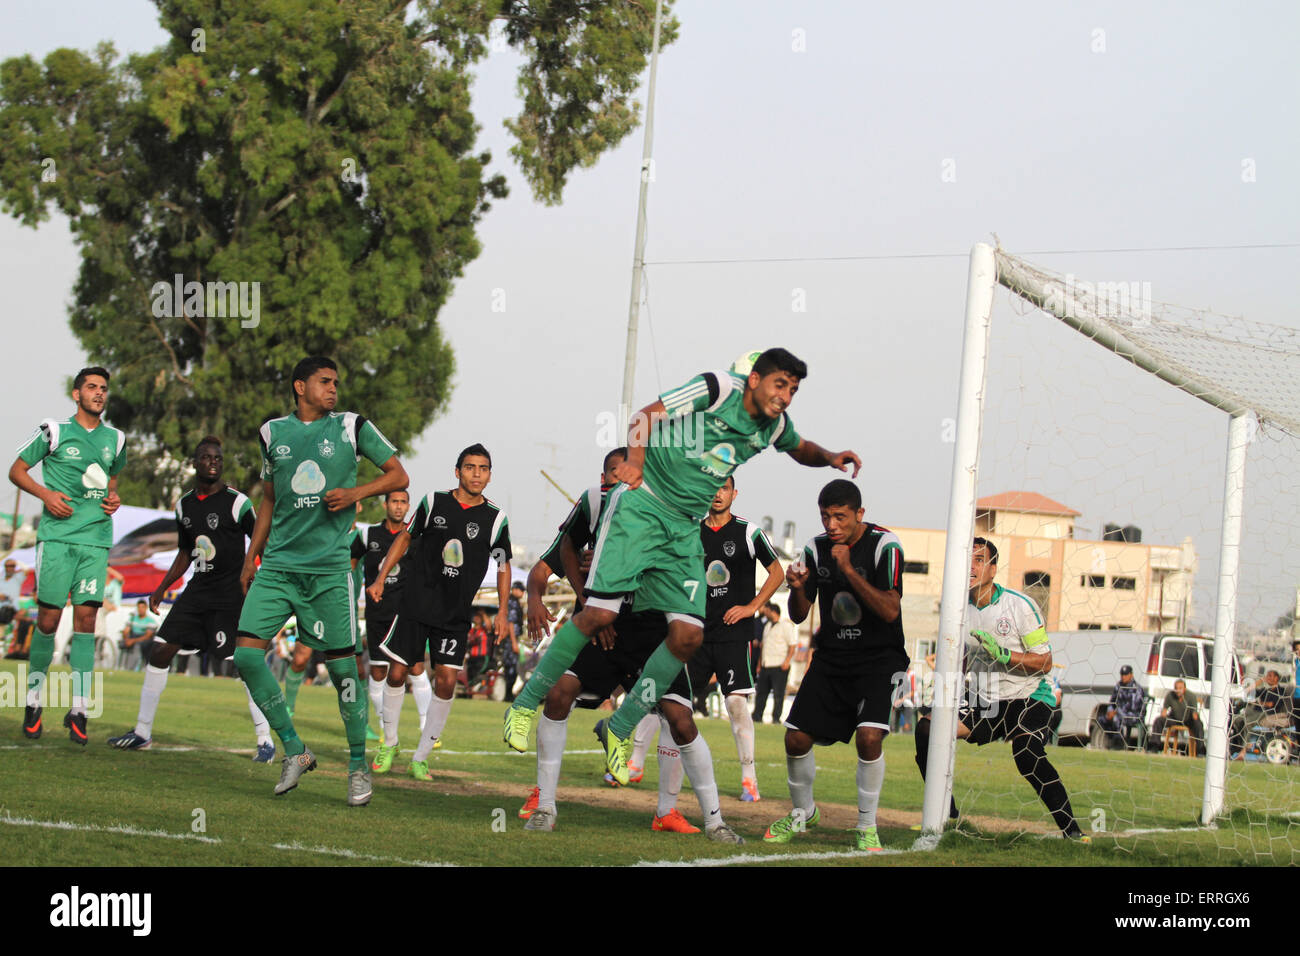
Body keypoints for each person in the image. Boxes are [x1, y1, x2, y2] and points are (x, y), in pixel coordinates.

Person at [505, 348, 862, 786]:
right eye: (779, 384)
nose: (785, 395)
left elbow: (800, 448)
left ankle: (619, 727)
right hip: (644, 506)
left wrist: (829, 457)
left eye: (793, 389)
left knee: (688, 635)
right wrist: (634, 461)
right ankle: (526, 701)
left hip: (683, 530)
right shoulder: (717, 387)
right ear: (754, 380)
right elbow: (644, 417)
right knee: (599, 613)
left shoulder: (775, 426)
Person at [519, 451, 742, 842]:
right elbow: (555, 557)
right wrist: (583, 599)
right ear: (605, 477)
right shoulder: (595, 507)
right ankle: (545, 805)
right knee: (559, 694)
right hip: (604, 634)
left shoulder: (670, 515)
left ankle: (708, 821)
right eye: (612, 474)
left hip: (654, 635)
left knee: (681, 720)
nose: (620, 481)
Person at [233, 356, 407, 806]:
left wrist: (355, 493)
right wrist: (252, 556)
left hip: (330, 571)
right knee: (246, 656)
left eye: (336, 382)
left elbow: (398, 475)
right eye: (324, 382)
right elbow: (268, 500)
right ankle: (295, 749)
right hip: (277, 566)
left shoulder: (351, 426)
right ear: (299, 386)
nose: (333, 389)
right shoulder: (272, 433)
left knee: (343, 671)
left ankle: (357, 767)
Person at [107, 436, 274, 759]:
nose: (213, 461)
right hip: (196, 591)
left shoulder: (237, 503)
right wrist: (160, 587)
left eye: (218, 458)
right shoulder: (183, 505)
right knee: (159, 652)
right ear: (195, 463)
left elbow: (260, 540)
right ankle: (142, 733)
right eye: (207, 457)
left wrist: (263, 581)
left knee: (243, 664)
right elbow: (186, 550)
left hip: (230, 594)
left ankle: (265, 740)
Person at [763, 480, 907, 852]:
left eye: (840, 516)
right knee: (795, 737)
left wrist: (849, 569)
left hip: (879, 659)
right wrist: (796, 587)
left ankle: (866, 825)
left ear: (860, 514)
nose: (831, 524)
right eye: (825, 516)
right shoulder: (815, 549)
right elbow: (797, 615)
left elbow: (891, 610)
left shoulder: (885, 546)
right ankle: (804, 813)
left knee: (869, 737)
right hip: (832, 658)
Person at [913, 537, 1087, 840]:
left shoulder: (1018, 606)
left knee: (1026, 754)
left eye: (979, 560)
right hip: (985, 696)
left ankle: (1072, 832)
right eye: (968, 558)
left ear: (993, 569)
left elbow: (1045, 663)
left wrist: (1006, 656)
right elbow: (959, 659)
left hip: (1029, 694)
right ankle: (947, 818)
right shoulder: (956, 610)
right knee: (928, 730)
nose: (971, 565)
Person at [369, 444, 510, 781]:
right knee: (398, 673)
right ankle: (389, 743)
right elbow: (405, 538)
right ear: (457, 471)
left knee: (446, 681)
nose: (476, 474)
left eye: (483, 468)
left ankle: (421, 757)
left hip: (455, 614)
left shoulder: (496, 518)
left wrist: (503, 610)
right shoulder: (433, 502)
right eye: (470, 467)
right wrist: (380, 577)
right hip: (417, 603)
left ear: (489, 475)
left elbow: (503, 565)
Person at [9, 367, 125, 743]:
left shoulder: (116, 439)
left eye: (103, 389)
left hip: (95, 541)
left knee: (87, 621)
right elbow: (17, 470)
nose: (98, 393)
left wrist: (114, 497)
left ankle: (78, 710)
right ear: (77, 394)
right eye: (91, 387)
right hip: (57, 540)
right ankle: (33, 702)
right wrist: (46, 496)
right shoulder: (54, 431)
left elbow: (112, 479)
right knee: (47, 619)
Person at [683, 475, 784, 801]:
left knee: (736, 702)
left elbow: (778, 572)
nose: (717, 494)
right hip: (694, 631)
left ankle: (749, 779)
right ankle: (635, 763)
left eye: (724, 488)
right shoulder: (691, 530)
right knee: (674, 702)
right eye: (712, 488)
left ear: (734, 493)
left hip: (733, 634)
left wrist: (751, 607)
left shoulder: (748, 532)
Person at [352, 491, 412, 742]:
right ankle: (382, 724)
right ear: (385, 504)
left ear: (408, 506)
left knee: (407, 671)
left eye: (403, 502)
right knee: (378, 672)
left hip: (405, 613)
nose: (398, 507)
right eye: (394, 502)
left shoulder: (413, 535)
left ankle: (423, 725)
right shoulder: (368, 534)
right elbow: (350, 561)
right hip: (377, 611)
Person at [1230, 669, 1291, 760]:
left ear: (1276, 678)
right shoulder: (1265, 690)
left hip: (1266, 714)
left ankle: (1243, 751)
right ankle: (1238, 746)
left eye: (1270, 676)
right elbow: (1247, 690)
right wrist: (1261, 681)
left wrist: (1260, 703)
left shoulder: (1280, 690)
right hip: (1255, 711)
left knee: (1248, 723)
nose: (1268, 678)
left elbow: (1271, 705)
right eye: (1267, 676)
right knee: (1237, 721)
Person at [753, 602, 798, 724]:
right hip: (766, 664)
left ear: (773, 611)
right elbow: (763, 646)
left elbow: (792, 645)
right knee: (761, 693)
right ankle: (757, 716)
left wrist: (787, 661)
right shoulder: (767, 626)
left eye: (767, 611)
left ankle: (776, 718)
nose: (764, 613)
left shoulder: (785, 626)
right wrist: (759, 664)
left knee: (778, 694)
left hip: (779, 664)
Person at [1152, 678, 1203, 755]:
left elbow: (1194, 715)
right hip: (1174, 719)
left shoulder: (1191, 696)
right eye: (1176, 688)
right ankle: (1154, 746)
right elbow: (1164, 712)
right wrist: (1163, 716)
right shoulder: (1170, 695)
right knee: (1158, 720)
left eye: (1180, 688)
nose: (1178, 690)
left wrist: (1196, 719)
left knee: (1198, 724)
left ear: (1184, 689)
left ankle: (1201, 750)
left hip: (1188, 720)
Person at [1101, 665, 1146, 750]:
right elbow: (1112, 701)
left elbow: (1134, 708)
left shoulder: (1137, 688)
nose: (1123, 677)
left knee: (1116, 718)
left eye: (1125, 674)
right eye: (1122, 674)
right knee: (1102, 719)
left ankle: (1119, 743)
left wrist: (1117, 712)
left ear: (1131, 675)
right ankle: (1115, 739)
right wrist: (1110, 711)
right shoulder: (1118, 686)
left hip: (1135, 716)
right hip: (1119, 714)